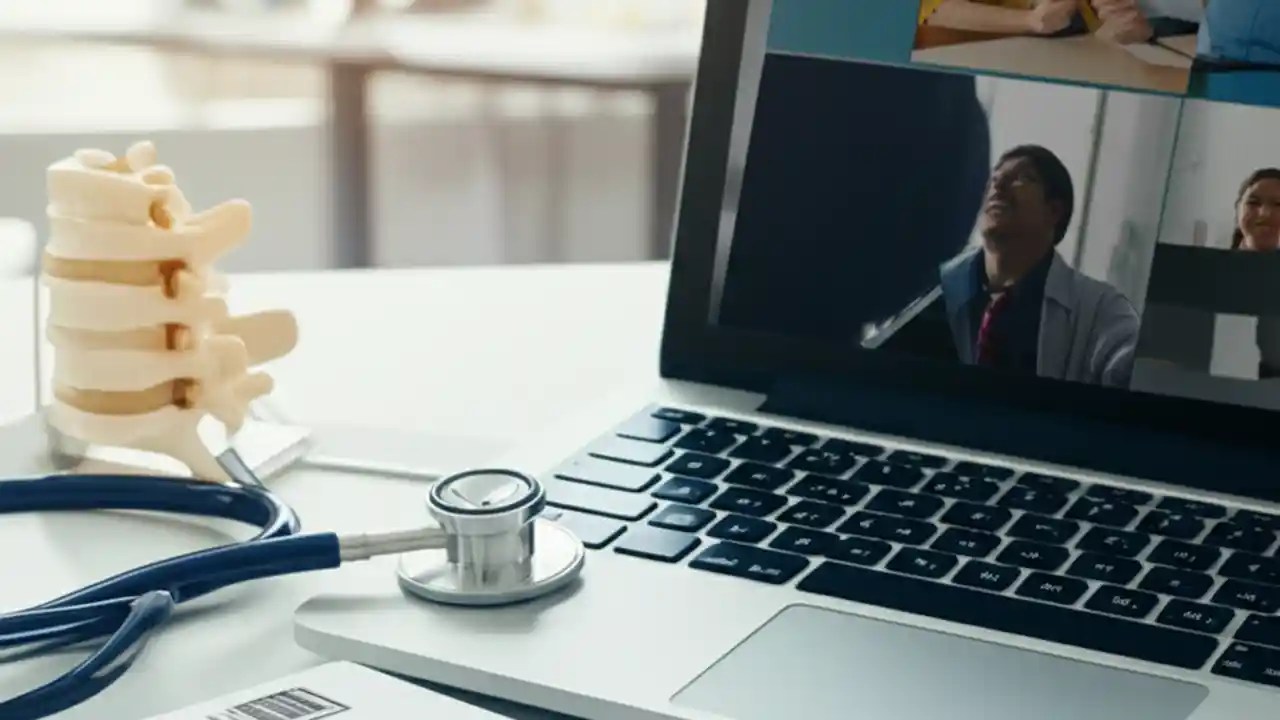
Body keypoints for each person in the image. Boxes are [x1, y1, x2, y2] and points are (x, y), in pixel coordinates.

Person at [934, 145, 1140, 387]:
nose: (997, 187)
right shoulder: (935, 287)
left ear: (1053, 211)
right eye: (994, 179)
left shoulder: (1102, 309)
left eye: (1022, 178)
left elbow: (1135, 376)